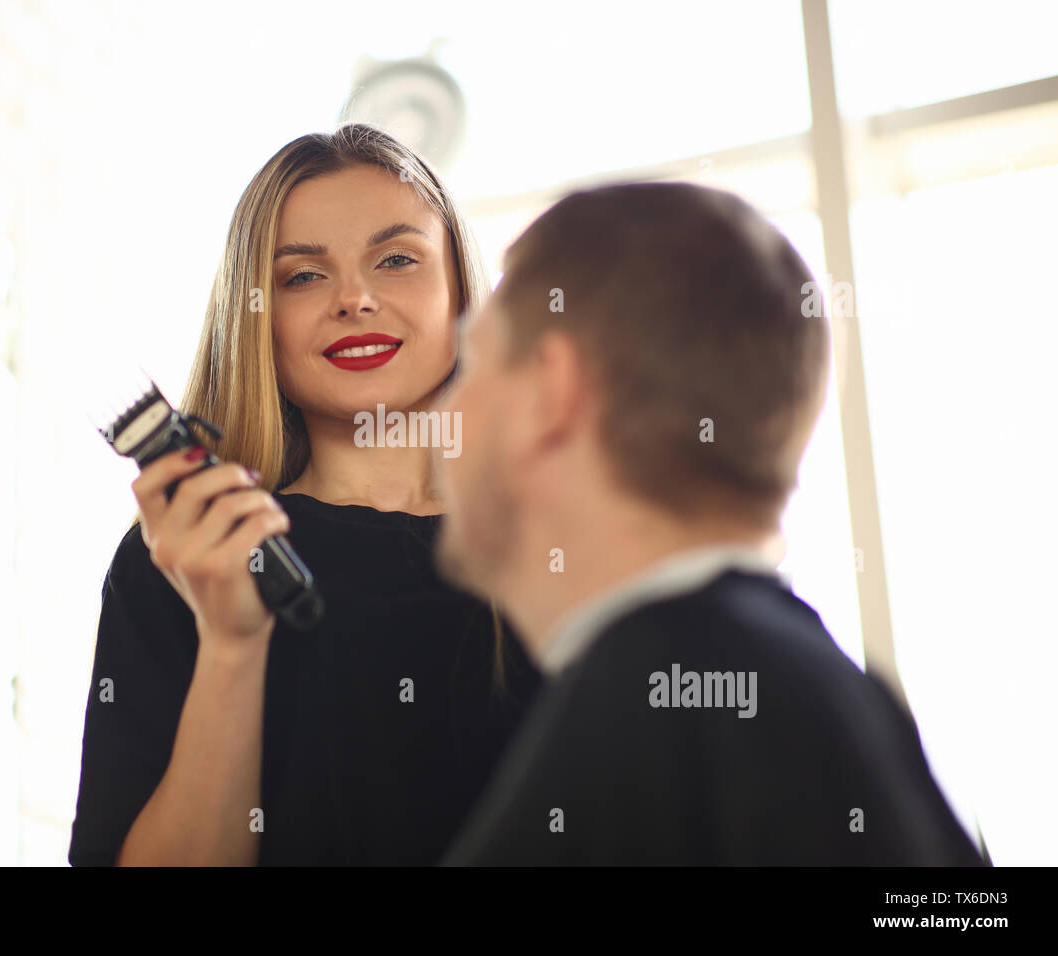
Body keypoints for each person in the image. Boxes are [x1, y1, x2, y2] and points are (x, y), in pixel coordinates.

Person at [430, 182, 985, 865]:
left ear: (552, 393)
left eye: (476, 361)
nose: (443, 417)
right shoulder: (848, 708)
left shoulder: (644, 715)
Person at [67, 124, 543, 866]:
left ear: (460, 293)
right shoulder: (190, 554)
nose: (354, 298)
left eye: (396, 259)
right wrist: (231, 644)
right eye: (302, 276)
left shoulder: (565, 546)